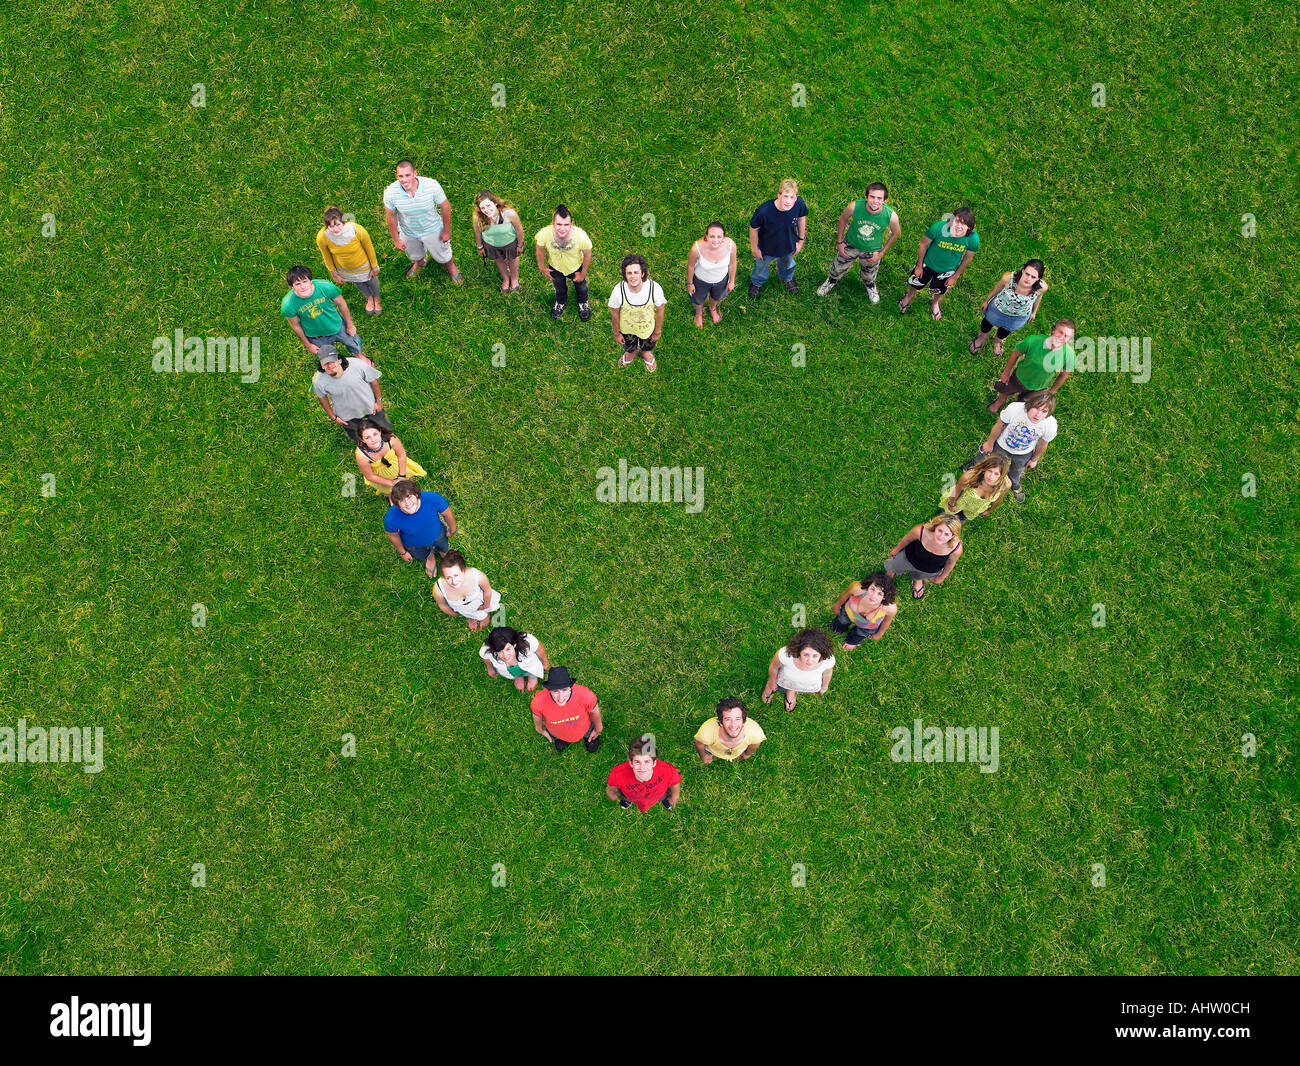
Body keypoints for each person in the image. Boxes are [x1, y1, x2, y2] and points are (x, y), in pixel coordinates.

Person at [816, 181, 901, 303]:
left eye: (879, 198)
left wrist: (881, 253)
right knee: (837, 268)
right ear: (866, 197)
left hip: (872, 250)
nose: (875, 201)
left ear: (884, 200)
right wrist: (839, 242)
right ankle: (831, 281)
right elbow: (843, 219)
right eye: (872, 197)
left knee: (869, 274)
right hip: (850, 244)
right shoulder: (854, 206)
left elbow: (896, 233)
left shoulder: (890, 216)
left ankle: (870, 286)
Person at [969, 390, 1059, 503]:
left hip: (1024, 452)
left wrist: (1034, 459)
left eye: (1044, 411)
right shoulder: (1015, 409)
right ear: (1029, 405)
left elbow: (1043, 443)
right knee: (987, 459)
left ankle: (1015, 484)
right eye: (1036, 408)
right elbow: (999, 425)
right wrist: (990, 443)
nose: (1038, 415)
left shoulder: (1050, 425)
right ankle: (973, 467)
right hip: (1002, 445)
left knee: (1017, 470)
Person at [382, 159, 462, 284]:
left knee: (443, 254)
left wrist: (446, 231)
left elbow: (445, 206)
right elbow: (390, 215)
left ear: (415, 173)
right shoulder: (390, 192)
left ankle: (451, 267)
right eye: (400, 176)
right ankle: (419, 263)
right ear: (396, 176)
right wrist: (396, 239)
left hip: (432, 229)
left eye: (407, 175)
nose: (404, 180)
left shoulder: (432, 185)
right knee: (414, 254)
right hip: (408, 231)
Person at [898, 208, 979, 320]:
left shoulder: (973, 238)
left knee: (940, 289)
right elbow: (923, 245)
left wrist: (955, 276)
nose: (959, 226)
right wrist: (919, 266)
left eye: (964, 224)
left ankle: (935, 303)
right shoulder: (938, 227)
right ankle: (908, 296)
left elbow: (967, 258)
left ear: (969, 227)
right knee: (915, 282)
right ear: (951, 220)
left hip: (947, 271)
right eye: (957, 221)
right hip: (927, 264)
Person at [989, 319, 1076, 414]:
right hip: (1018, 378)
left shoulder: (1069, 355)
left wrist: (1052, 391)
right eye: (1060, 332)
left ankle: (1014, 413)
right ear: (1053, 330)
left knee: (1025, 405)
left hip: (1038, 388)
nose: (1061, 338)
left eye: (1066, 336)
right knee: (1006, 389)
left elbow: (1064, 375)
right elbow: (1015, 353)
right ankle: (1001, 400)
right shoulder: (1033, 341)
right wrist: (1006, 372)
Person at [282, 266, 364, 358]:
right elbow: (295, 326)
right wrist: (308, 345)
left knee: (353, 343)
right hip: (317, 336)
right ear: (292, 287)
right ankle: (336, 363)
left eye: (305, 281)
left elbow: (342, 304)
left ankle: (359, 355)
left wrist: (350, 325)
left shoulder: (326, 287)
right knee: (329, 358)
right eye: (297, 284)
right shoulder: (288, 304)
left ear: (311, 281)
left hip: (337, 325)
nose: (303, 286)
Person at [969, 260, 1047, 356]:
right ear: (1023, 270)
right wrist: (986, 301)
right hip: (998, 309)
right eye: (1027, 274)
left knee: (1006, 330)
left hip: (1018, 317)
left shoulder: (1041, 288)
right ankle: (981, 338)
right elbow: (997, 288)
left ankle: (997, 341)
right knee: (988, 323)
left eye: (1033, 277)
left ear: (1038, 278)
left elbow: (1038, 297)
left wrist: (1034, 312)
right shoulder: (1009, 278)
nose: (1028, 279)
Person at [315, 207, 382, 316]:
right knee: (359, 283)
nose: (335, 229)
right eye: (331, 226)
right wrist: (333, 273)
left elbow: (369, 248)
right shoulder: (322, 237)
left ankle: (376, 298)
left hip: (364, 266)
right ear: (326, 226)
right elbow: (326, 256)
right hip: (346, 270)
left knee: (372, 281)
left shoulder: (358, 230)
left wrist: (374, 266)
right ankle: (369, 298)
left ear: (344, 222)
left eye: (338, 224)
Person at [748, 179, 808, 298]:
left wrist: (800, 240)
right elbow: (753, 228)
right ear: (779, 195)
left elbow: (801, 218)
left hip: (789, 245)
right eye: (785, 196)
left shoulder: (799, 204)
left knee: (788, 264)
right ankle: (757, 283)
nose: (788, 201)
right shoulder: (764, 211)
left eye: (792, 197)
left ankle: (787, 278)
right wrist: (755, 248)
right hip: (766, 248)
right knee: (761, 268)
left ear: (796, 197)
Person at [313, 353, 390, 443]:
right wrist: (332, 416)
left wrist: (378, 402)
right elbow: (321, 397)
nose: (329, 366)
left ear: (339, 360)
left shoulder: (357, 364)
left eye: (332, 361)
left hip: (370, 405)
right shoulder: (318, 380)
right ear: (322, 366)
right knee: (356, 434)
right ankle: (363, 446)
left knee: (383, 427)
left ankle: (387, 440)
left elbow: (373, 380)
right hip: (347, 414)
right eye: (325, 363)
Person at [382, 479, 456, 573]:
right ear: (397, 504)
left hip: (438, 534)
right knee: (423, 554)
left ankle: (443, 552)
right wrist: (403, 553)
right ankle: (430, 558)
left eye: (409, 497)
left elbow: (447, 514)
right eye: (401, 500)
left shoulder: (432, 498)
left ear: (417, 494)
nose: (408, 503)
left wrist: (452, 529)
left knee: (443, 547)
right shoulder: (391, 518)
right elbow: (393, 535)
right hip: (414, 544)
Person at [534, 204, 593, 320]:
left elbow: (587, 253)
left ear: (571, 224)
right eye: (559, 224)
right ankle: (561, 302)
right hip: (555, 267)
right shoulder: (545, 234)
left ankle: (583, 303)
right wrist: (541, 266)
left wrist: (583, 273)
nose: (562, 228)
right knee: (559, 287)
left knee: (581, 287)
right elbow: (540, 249)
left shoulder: (581, 236)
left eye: (566, 225)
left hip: (576, 267)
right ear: (553, 223)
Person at [609, 254, 666, 372]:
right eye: (629, 273)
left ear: (643, 273)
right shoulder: (618, 291)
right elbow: (614, 313)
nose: (633, 276)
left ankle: (645, 352)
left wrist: (657, 332)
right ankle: (632, 352)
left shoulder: (654, 289)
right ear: (625, 275)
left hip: (647, 328)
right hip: (627, 329)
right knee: (629, 344)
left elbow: (660, 311)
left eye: (636, 272)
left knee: (648, 343)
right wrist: (616, 333)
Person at [886, 514, 964, 600]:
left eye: (946, 534)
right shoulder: (921, 531)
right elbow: (907, 539)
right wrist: (896, 549)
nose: (941, 536)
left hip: (930, 568)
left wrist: (942, 577)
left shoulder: (956, 549)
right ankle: (892, 572)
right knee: (895, 564)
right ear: (935, 527)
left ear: (952, 536)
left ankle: (918, 580)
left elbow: (950, 563)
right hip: (909, 556)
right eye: (940, 530)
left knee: (920, 575)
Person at [530, 666, 602, 752]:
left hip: (585, 727)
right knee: (560, 744)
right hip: (556, 732)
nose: (561, 698)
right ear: (548, 690)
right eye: (555, 691)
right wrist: (540, 730)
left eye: (564, 690)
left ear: (571, 687)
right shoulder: (538, 702)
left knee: (589, 733)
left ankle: (589, 737)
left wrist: (598, 729)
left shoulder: (585, 696)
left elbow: (595, 712)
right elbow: (537, 716)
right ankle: (562, 739)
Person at [762, 628, 835, 711]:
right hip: (785, 679)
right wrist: (772, 682)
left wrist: (824, 687)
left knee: (794, 686)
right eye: (806, 655)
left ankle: (791, 690)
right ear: (799, 650)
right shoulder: (786, 655)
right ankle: (769, 687)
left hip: (804, 684)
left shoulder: (828, 661)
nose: (810, 661)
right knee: (775, 685)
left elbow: (827, 673)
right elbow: (774, 668)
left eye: (815, 656)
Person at [353, 419, 427, 499]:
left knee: (408, 482)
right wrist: (392, 483)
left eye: (375, 434)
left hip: (398, 465)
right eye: (367, 437)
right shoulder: (361, 455)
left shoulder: (391, 439)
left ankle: (411, 489)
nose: (373, 439)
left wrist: (402, 476)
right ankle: (391, 497)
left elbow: (401, 455)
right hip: (380, 476)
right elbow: (370, 476)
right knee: (389, 491)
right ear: (362, 440)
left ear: (380, 431)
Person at [606, 735, 681, 811]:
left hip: (659, 795)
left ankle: (664, 800)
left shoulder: (667, 770)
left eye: (647, 762)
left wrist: (675, 795)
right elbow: (612, 785)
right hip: (630, 795)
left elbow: (675, 781)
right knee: (626, 797)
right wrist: (611, 793)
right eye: (637, 762)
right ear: (631, 763)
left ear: (654, 763)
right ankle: (627, 801)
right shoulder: (618, 772)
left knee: (663, 796)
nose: (642, 768)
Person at [432, 549, 500, 631]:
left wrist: (486, 605)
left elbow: (487, 591)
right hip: (463, 610)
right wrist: (456, 613)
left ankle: (486, 615)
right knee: (470, 613)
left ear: (463, 570)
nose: (453, 581)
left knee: (485, 611)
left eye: (456, 575)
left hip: (480, 602)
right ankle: (471, 617)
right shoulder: (439, 589)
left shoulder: (477, 576)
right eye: (448, 577)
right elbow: (442, 605)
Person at [472, 191, 525, 293]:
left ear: (495, 203)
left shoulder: (509, 213)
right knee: (499, 261)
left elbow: (519, 229)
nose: (486, 210)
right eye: (483, 208)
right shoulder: (478, 218)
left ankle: (514, 279)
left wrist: (520, 244)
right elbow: (477, 233)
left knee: (512, 260)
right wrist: (480, 247)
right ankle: (505, 278)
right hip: (492, 245)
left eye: (488, 205)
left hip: (510, 243)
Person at [686, 222, 737, 327]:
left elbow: (732, 264)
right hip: (701, 281)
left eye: (719, 236)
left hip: (721, 280)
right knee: (698, 299)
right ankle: (699, 314)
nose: (716, 240)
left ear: (724, 237)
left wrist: (731, 281)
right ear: (706, 236)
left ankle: (712, 308)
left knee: (716, 296)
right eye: (712, 236)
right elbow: (690, 266)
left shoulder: (731, 245)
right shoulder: (696, 249)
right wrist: (690, 283)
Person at [830, 571, 898, 648]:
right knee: (841, 622)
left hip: (867, 627)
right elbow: (845, 595)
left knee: (860, 634)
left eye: (880, 594)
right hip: (847, 613)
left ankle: (852, 641)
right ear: (868, 586)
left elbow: (886, 622)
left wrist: (879, 634)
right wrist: (837, 605)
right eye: (873, 589)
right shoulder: (856, 589)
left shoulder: (890, 609)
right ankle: (838, 629)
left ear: (884, 597)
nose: (873, 596)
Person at [941, 454, 1011, 522]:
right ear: (985, 469)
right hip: (958, 504)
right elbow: (956, 490)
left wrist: (989, 510)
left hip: (973, 511)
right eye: (990, 471)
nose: (991, 477)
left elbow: (999, 498)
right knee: (942, 520)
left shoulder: (1005, 484)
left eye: (996, 474)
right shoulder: (969, 476)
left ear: (1001, 475)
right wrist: (951, 504)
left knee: (956, 524)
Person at [694, 698, 765, 763]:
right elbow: (699, 743)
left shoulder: (755, 733)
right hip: (713, 750)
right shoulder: (706, 733)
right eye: (728, 719)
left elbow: (755, 744)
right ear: (721, 722)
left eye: (737, 719)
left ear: (743, 721)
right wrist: (703, 756)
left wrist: (747, 754)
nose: (733, 725)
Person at [480, 627, 549, 692]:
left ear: (514, 645)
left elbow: (539, 649)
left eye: (508, 649)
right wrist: (490, 669)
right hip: (511, 671)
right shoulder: (487, 649)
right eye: (500, 651)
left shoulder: (527, 641)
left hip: (530, 666)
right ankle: (518, 677)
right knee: (513, 673)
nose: (505, 656)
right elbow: (485, 656)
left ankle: (532, 677)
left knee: (532, 671)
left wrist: (545, 663)